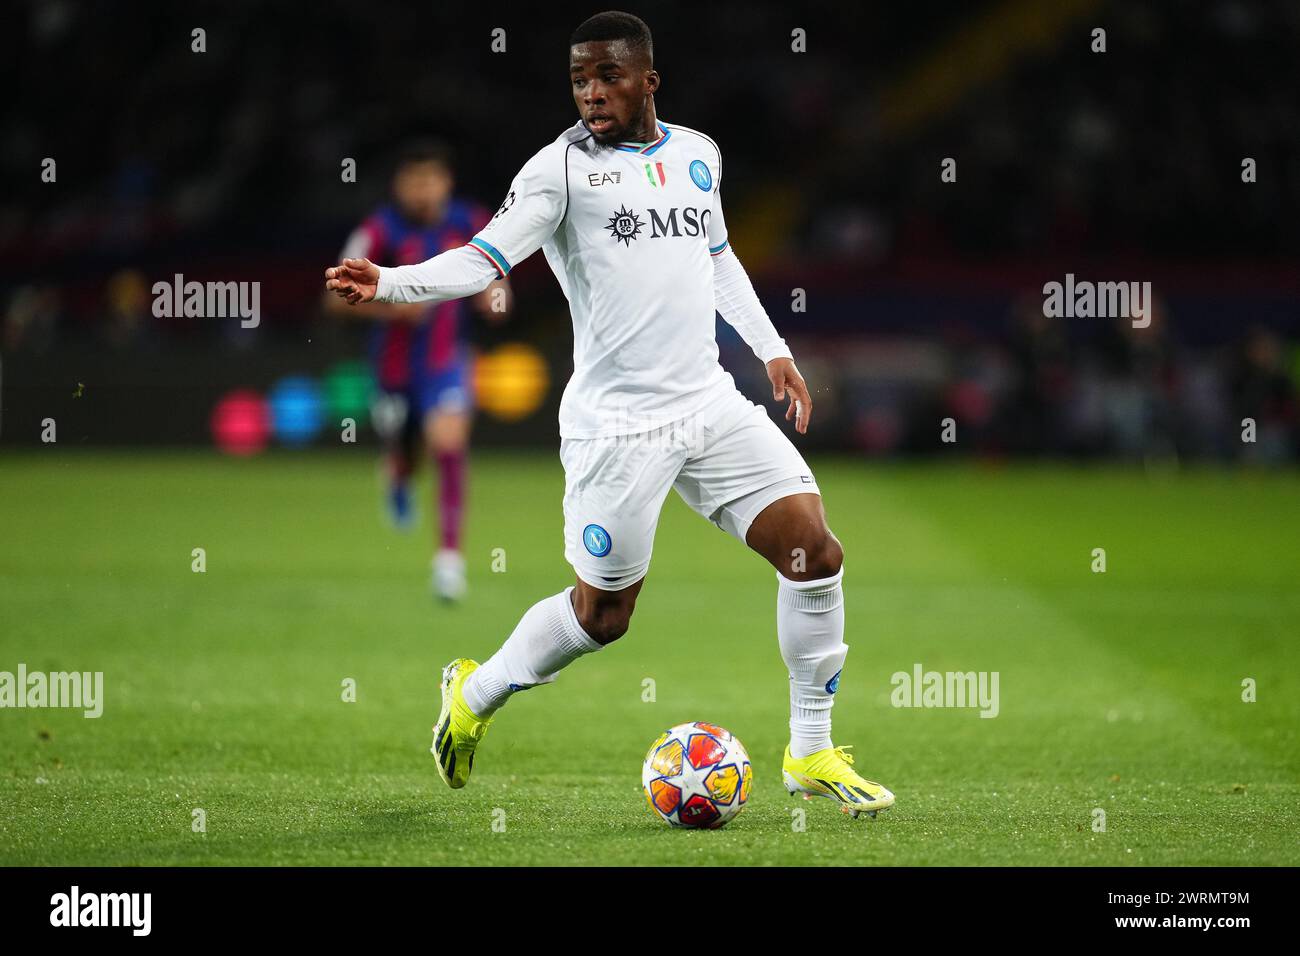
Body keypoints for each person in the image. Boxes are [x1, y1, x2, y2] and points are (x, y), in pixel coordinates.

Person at [326, 11, 893, 818]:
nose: (592, 94)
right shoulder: (556, 173)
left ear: (648, 80)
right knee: (604, 614)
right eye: (579, 80)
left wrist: (772, 351)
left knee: (814, 551)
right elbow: (482, 258)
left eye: (608, 77)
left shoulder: (699, 156)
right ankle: (475, 691)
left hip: (708, 402)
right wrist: (390, 283)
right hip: (618, 427)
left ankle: (811, 748)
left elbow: (718, 254)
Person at [326, 141, 510, 600]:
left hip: (446, 363)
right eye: (414, 182)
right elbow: (333, 299)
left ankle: (449, 563)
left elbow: (500, 274)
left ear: (446, 182)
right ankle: (399, 474)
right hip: (391, 368)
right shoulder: (376, 231)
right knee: (407, 455)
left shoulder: (472, 222)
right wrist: (393, 311)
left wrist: (497, 299)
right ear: (399, 186)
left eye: (431, 180)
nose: (423, 191)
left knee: (448, 445)